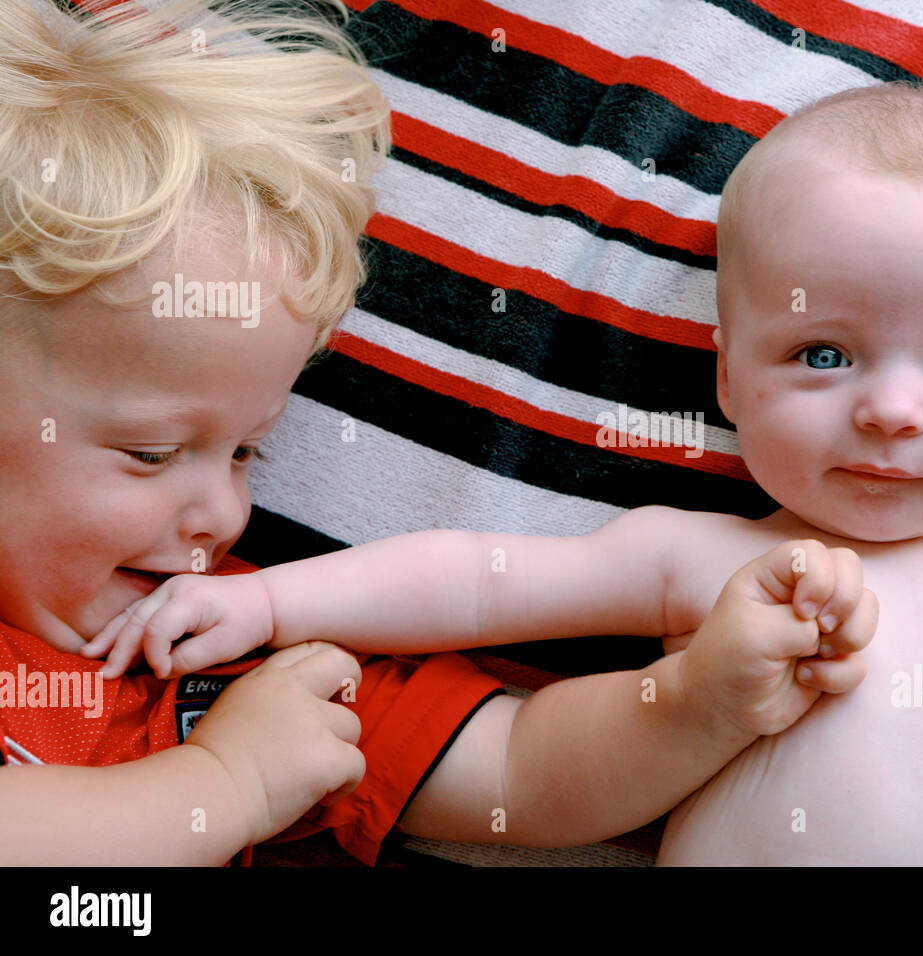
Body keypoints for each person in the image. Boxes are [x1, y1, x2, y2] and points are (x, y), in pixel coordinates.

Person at [90, 81, 923, 865]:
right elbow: (480, 580)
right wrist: (268, 601)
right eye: (819, 352)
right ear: (728, 378)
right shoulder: (712, 558)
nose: (888, 405)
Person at [0, 0, 873, 866]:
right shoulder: (235, 742)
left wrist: (694, 703)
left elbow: (518, 772)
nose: (220, 513)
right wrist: (223, 786)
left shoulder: (230, 651)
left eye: (244, 452)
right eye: (151, 453)